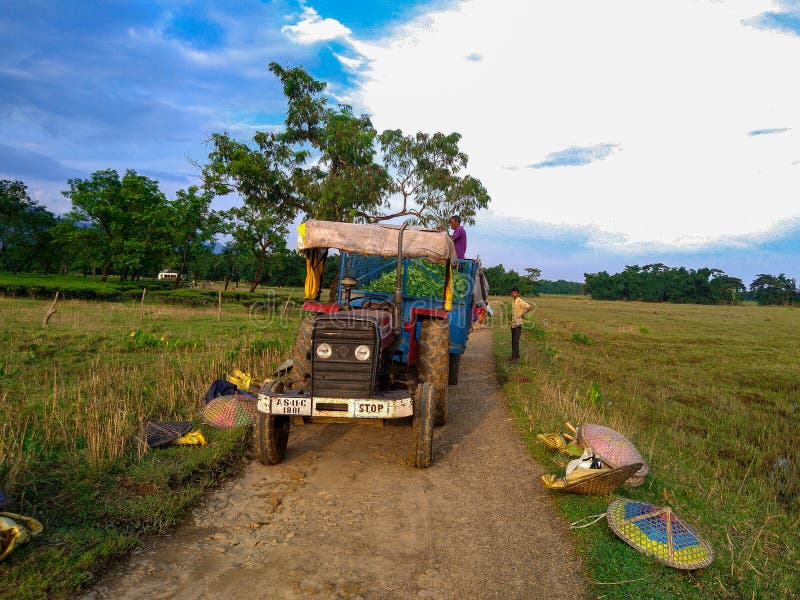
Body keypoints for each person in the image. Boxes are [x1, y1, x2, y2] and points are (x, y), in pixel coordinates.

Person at [509, 287, 533, 363]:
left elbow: (529, 307)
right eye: (512, 293)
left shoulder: (520, 301)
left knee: (516, 341)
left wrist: (523, 314)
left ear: (518, 294)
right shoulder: (513, 301)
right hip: (513, 323)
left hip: (518, 324)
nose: (513, 294)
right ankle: (515, 356)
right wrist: (511, 316)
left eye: (515, 293)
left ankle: (515, 358)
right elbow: (514, 310)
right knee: (513, 341)